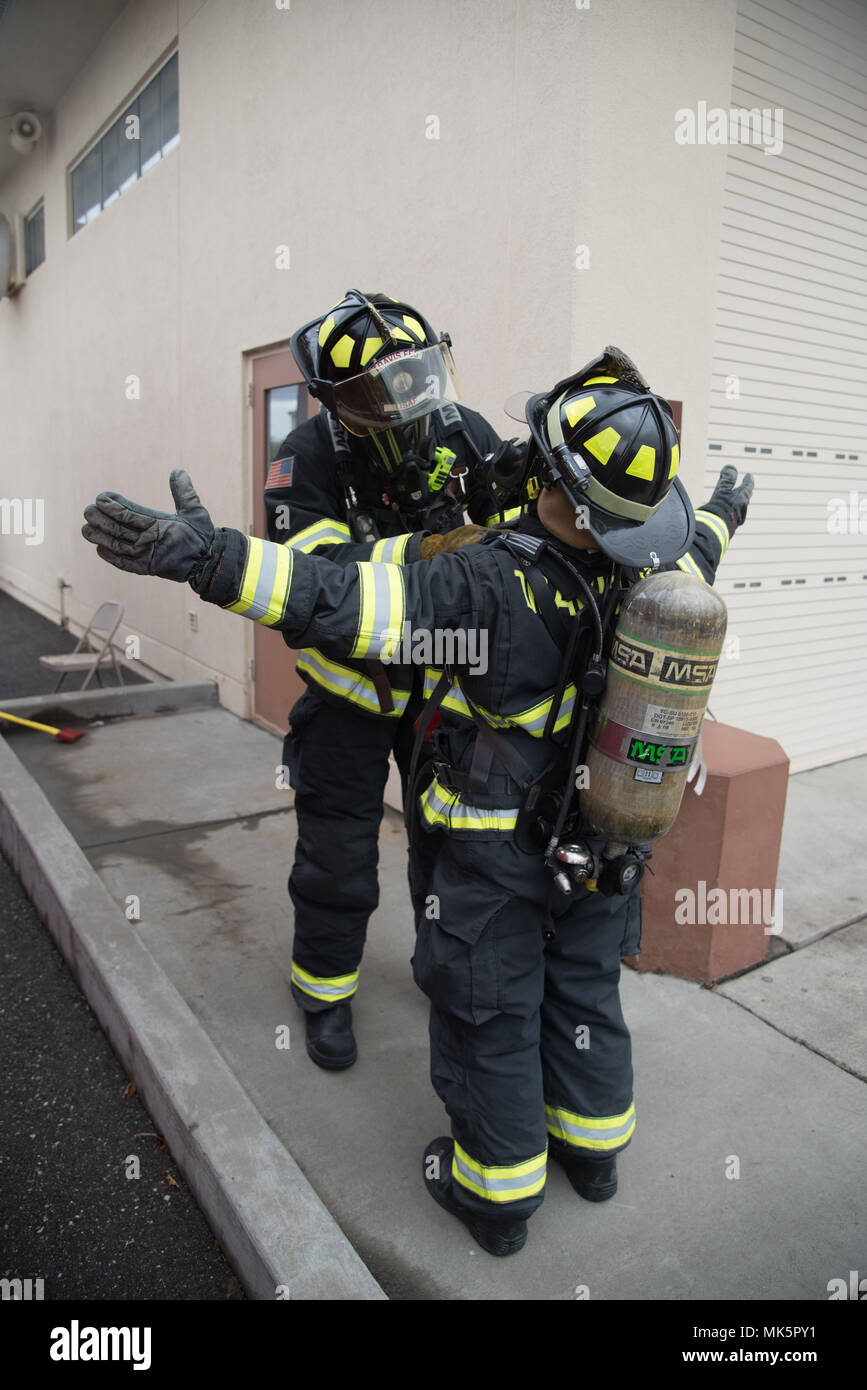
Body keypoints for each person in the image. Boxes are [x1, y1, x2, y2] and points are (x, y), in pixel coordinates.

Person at [82, 346, 753, 1256]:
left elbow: (333, 598)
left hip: (497, 850)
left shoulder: (480, 586)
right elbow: (696, 546)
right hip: (604, 845)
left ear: (547, 470)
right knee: (585, 988)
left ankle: (495, 1196)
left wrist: (207, 558)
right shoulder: (657, 575)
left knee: (492, 1008)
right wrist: (718, 513)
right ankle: (593, 1154)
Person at [263, 290, 517, 1070]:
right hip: (350, 695)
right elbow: (313, 583)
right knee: (337, 855)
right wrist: (426, 554)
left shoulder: (462, 431)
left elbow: (509, 547)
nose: (407, 403)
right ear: (335, 403)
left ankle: (438, 968)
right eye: (380, 390)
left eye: (417, 375)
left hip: (446, 692)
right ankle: (324, 993)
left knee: (448, 851)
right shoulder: (301, 458)